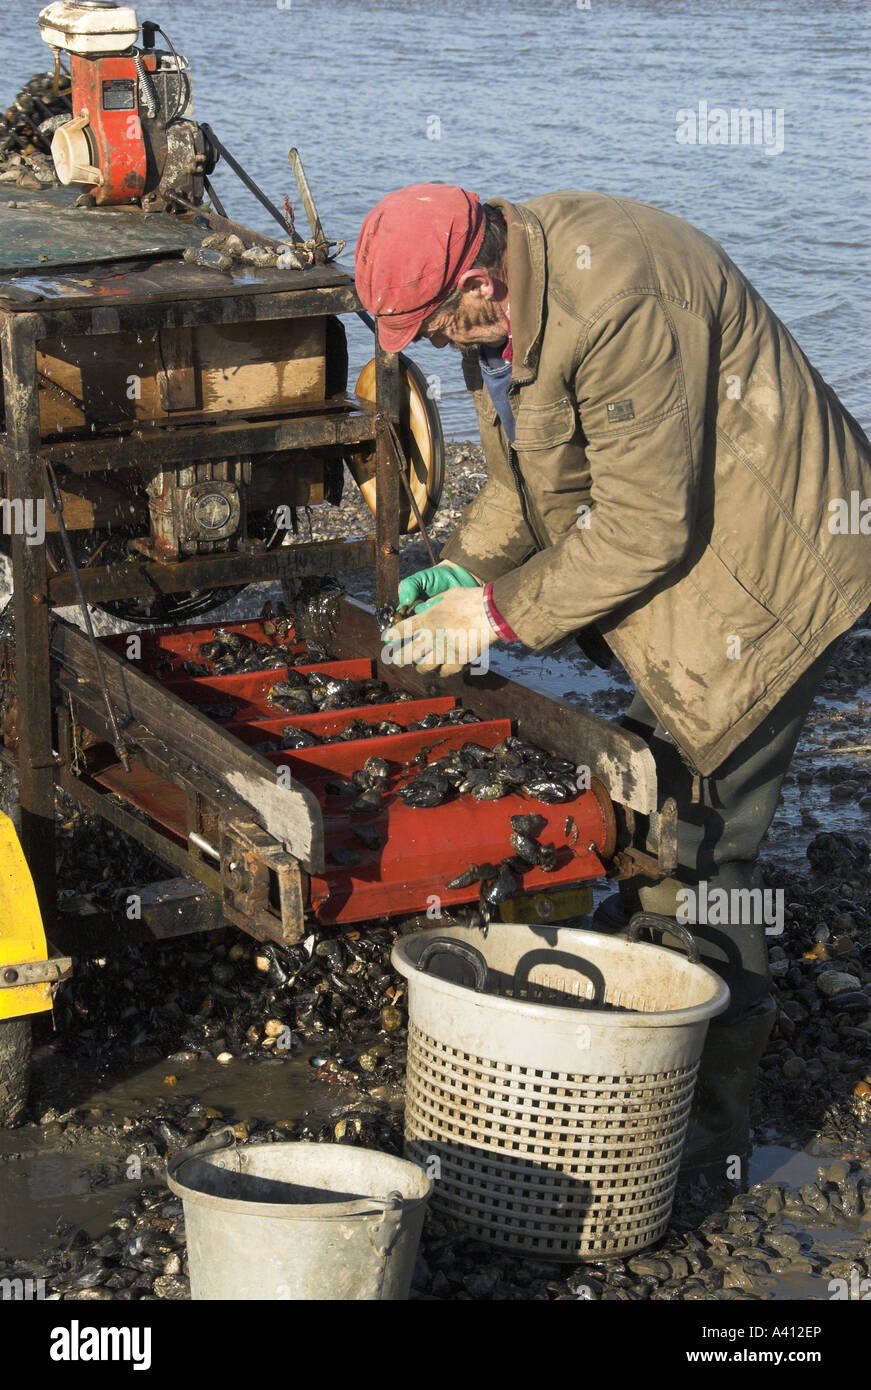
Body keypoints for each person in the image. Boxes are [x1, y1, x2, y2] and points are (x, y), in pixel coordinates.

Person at [355, 183, 871, 1183]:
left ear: (474, 279)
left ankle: (707, 1145)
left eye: (430, 326)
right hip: (701, 560)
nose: (431, 346)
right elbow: (530, 474)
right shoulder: (507, 306)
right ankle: (643, 1001)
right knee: (649, 791)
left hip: (772, 574)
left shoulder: (619, 293)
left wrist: (496, 616)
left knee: (708, 854)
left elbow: (641, 528)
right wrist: (467, 565)